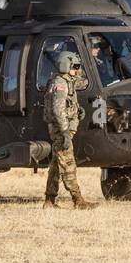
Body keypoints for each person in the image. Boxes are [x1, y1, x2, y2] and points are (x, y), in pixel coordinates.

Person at [43, 51, 94, 209]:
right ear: (66, 66)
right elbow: (58, 110)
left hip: (64, 129)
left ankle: (49, 201)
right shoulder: (61, 84)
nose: (77, 70)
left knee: (56, 166)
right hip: (61, 131)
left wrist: (77, 111)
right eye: (75, 66)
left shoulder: (67, 81)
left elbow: (80, 85)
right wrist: (65, 132)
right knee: (68, 165)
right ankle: (78, 201)